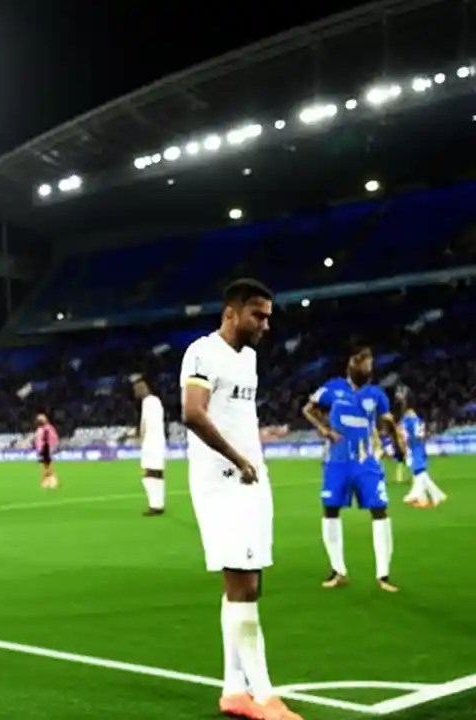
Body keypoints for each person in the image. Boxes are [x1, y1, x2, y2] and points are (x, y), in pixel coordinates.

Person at [179, 278, 302, 720]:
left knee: (250, 585)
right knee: (243, 586)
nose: (265, 325)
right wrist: (238, 457)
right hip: (222, 480)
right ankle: (266, 697)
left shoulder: (248, 359)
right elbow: (193, 413)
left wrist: (256, 445)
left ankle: (234, 689)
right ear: (231, 312)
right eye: (258, 315)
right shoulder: (202, 352)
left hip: (251, 478)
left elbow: (235, 415)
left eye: (268, 316)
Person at [302, 347, 405, 592]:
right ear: (351, 366)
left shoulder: (376, 395)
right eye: (361, 363)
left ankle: (384, 575)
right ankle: (338, 570)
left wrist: (399, 446)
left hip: (366, 462)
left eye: (369, 365)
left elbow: (388, 421)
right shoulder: (333, 389)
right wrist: (325, 430)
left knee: (380, 511)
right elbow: (307, 409)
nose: (365, 369)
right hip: (336, 462)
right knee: (330, 510)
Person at [399, 393, 447, 508]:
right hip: (419, 445)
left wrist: (404, 442)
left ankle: (415, 494)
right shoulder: (418, 419)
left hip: (414, 446)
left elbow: (405, 435)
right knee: (419, 471)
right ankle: (437, 495)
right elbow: (421, 434)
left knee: (419, 470)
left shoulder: (407, 420)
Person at [132, 377, 167, 516]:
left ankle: (155, 504)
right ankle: (157, 503)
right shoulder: (154, 401)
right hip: (156, 441)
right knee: (155, 472)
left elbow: (147, 424)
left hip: (152, 442)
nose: (135, 392)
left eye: (137, 389)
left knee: (150, 473)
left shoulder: (149, 402)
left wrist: (140, 436)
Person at [34, 413, 58, 489]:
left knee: (47, 466)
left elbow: (53, 439)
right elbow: (37, 441)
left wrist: (51, 447)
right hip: (42, 449)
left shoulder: (48, 428)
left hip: (46, 449)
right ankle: (47, 481)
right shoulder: (40, 429)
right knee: (45, 466)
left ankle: (51, 482)